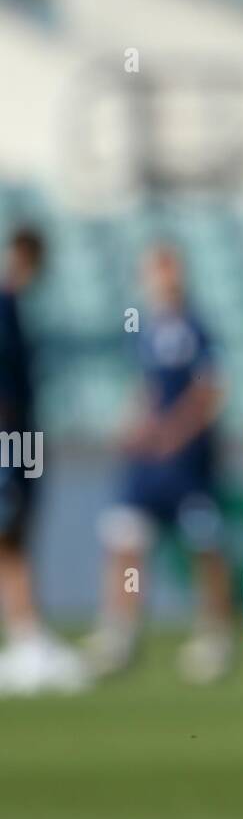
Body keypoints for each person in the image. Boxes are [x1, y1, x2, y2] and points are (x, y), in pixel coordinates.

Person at [86, 244, 233, 683]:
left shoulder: (196, 329)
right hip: (149, 465)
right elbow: (147, 388)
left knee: (204, 545)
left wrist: (174, 432)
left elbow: (211, 391)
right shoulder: (146, 329)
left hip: (187, 465)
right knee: (125, 540)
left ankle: (215, 634)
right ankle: (120, 632)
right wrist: (134, 425)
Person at [0, 226, 88, 695]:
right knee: (12, 530)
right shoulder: (7, 305)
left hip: (22, 436)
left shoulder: (19, 308)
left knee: (18, 530)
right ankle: (26, 637)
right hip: (11, 439)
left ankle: (26, 634)